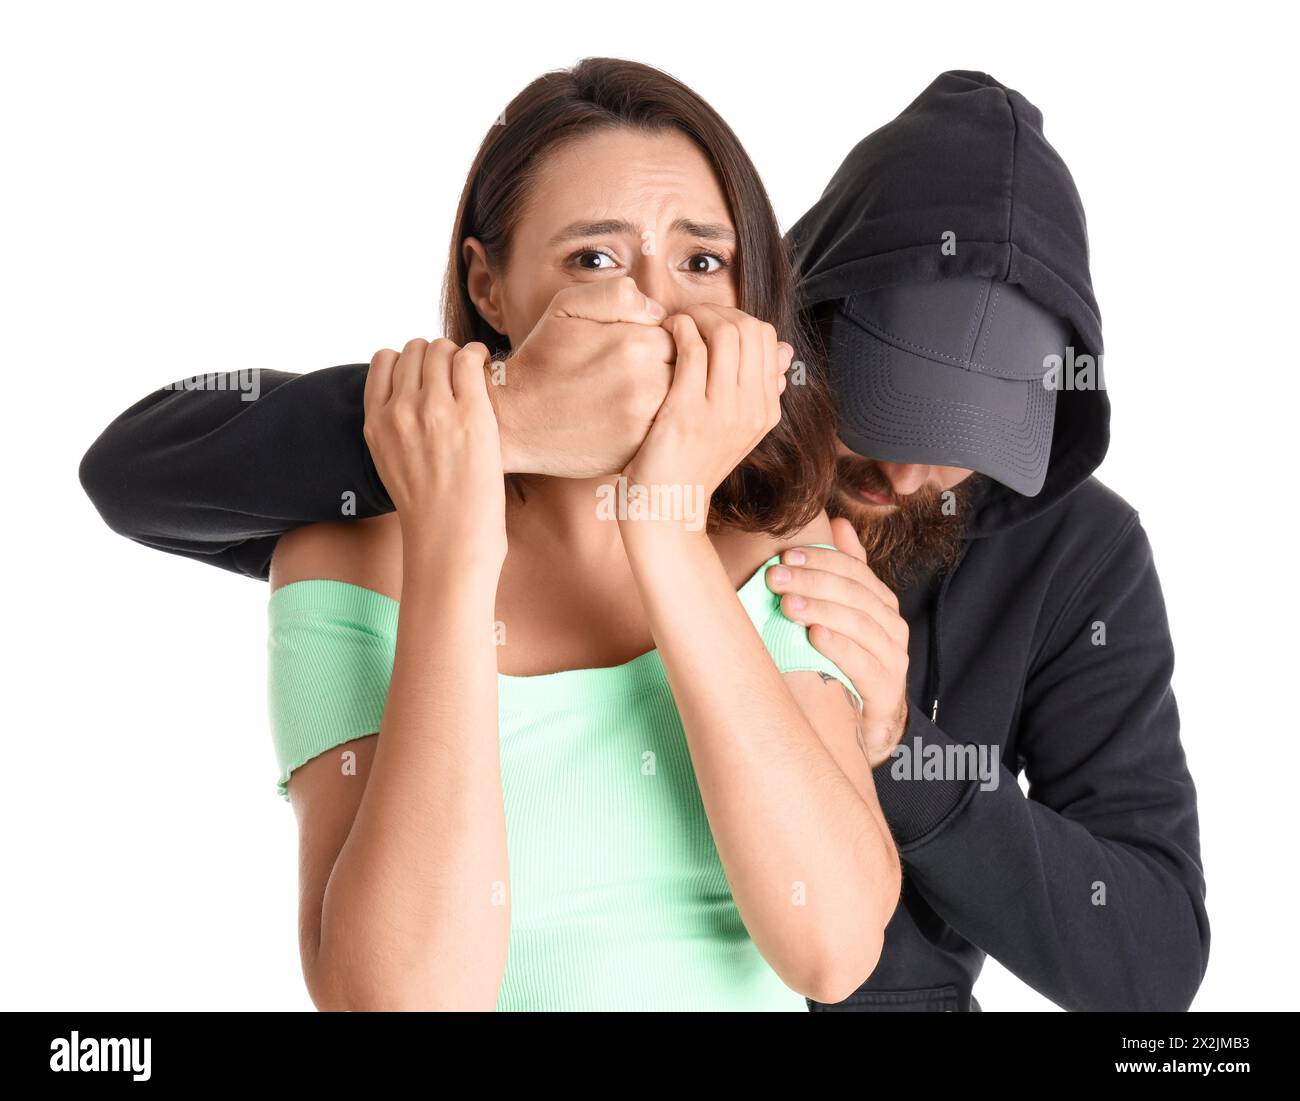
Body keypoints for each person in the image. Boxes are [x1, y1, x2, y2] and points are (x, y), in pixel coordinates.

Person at [79, 69, 1209, 1012]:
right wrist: (494, 422)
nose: (911, 475)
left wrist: (900, 755)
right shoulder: (377, 540)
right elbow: (146, 470)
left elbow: (1136, 956)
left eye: (698, 262)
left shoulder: (1027, 553)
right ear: (788, 340)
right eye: (596, 259)